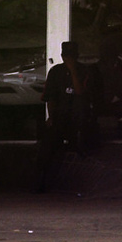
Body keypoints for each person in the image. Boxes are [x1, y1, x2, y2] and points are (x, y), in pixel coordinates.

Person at [36, 40, 101, 190]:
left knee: (80, 141)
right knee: (48, 144)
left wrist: (72, 71)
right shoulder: (55, 72)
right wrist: (51, 117)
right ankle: (42, 181)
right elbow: (50, 97)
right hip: (60, 117)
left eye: (71, 56)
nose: (68, 59)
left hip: (79, 117)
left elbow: (80, 92)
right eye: (66, 56)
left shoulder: (85, 71)